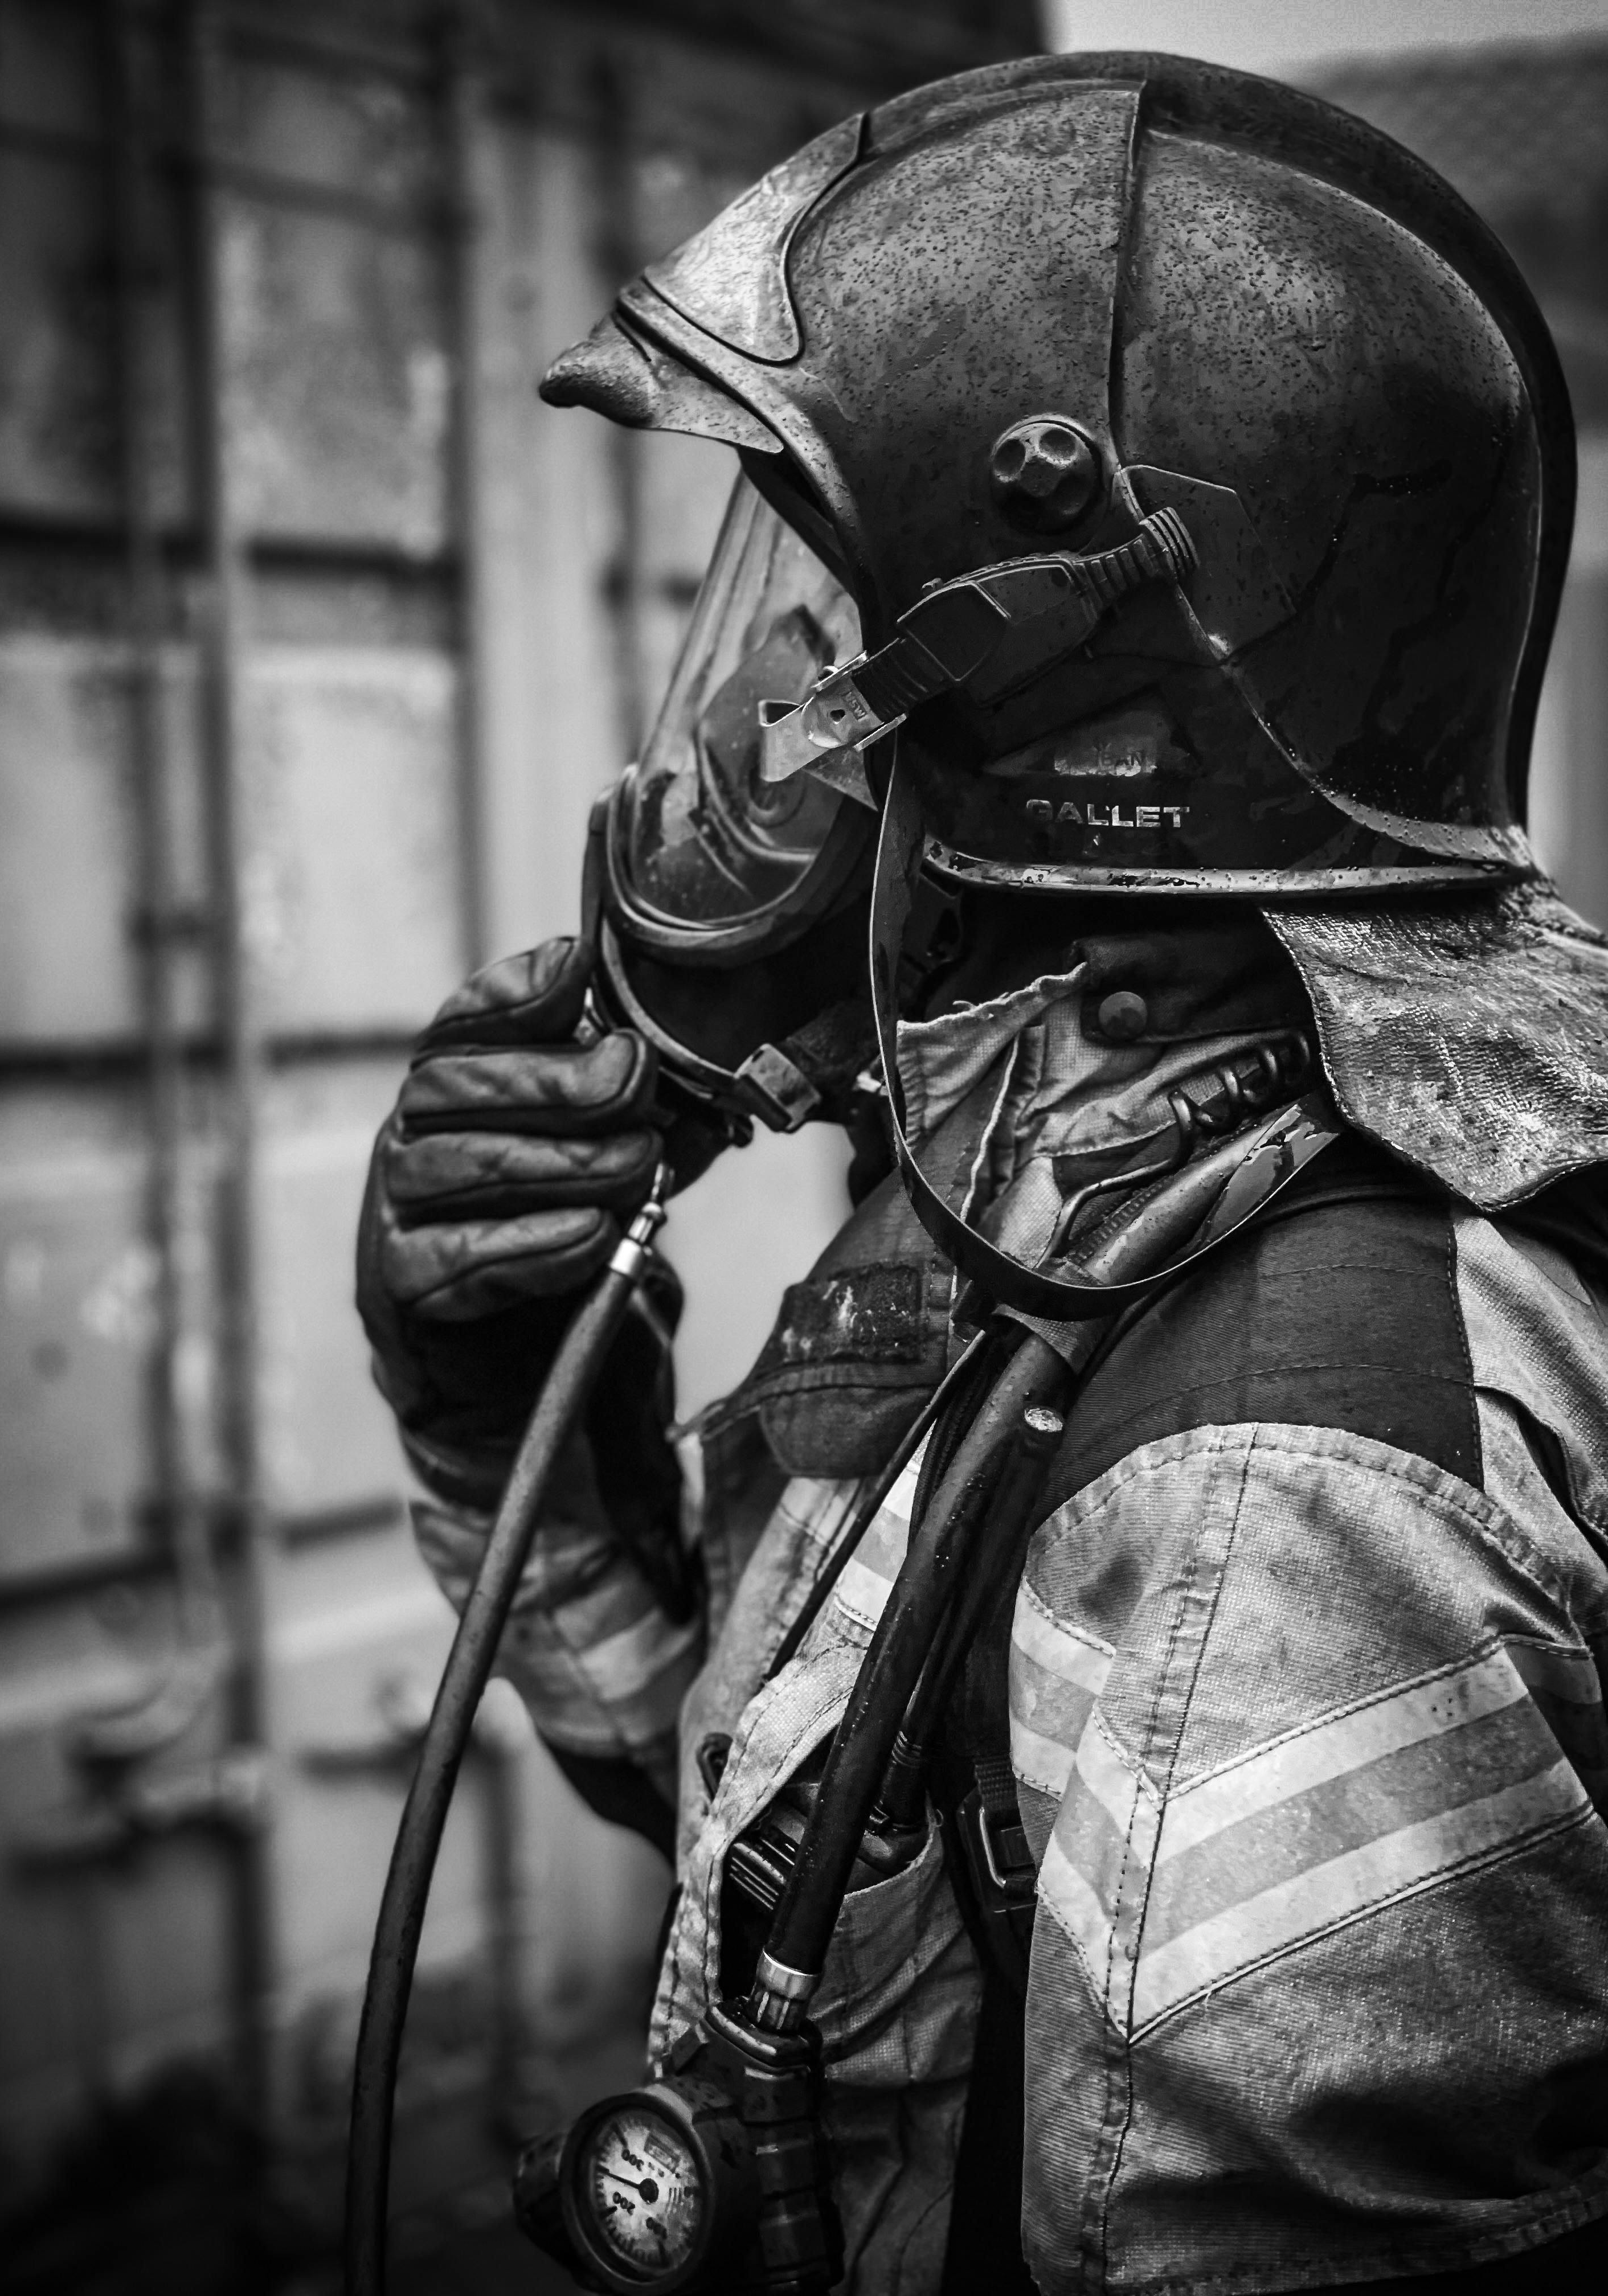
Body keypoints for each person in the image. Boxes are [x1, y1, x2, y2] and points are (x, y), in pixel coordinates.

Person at [356, 51, 1608, 2295]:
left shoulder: (1266, 1488)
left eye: (821, 650)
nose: (748, 737)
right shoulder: (1063, 1227)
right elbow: (799, 1882)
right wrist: (507, 1420)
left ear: (1071, 729)